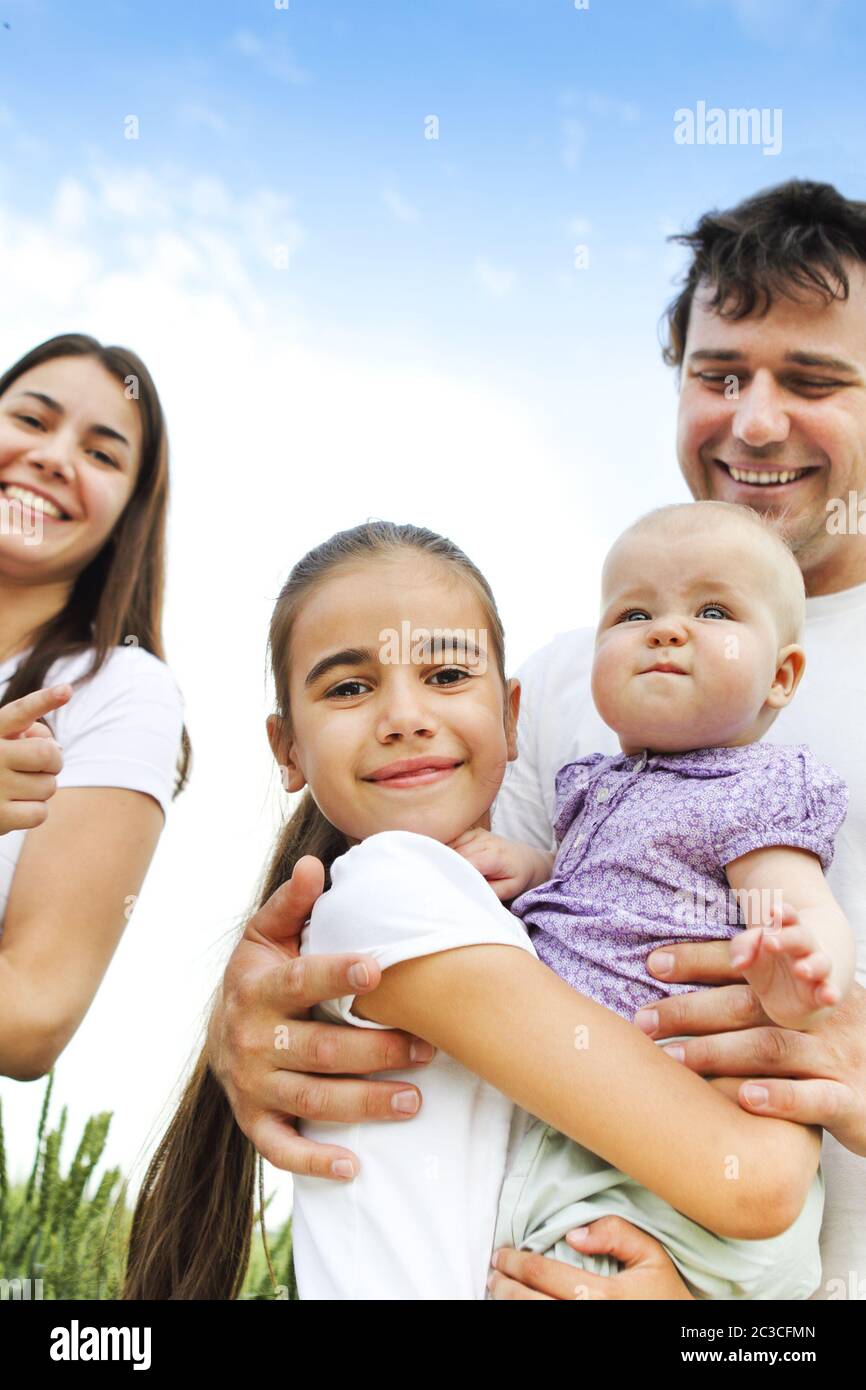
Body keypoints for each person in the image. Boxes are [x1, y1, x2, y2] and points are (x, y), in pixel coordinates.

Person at [206, 178, 866, 1301]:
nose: (753, 421)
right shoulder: (575, 679)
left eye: (811, 380)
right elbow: (465, 974)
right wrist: (256, 1020)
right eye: (717, 375)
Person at [124, 520, 836, 1301]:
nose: (403, 715)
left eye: (447, 675)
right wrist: (803, 1043)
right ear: (287, 748)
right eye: (350, 687)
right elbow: (757, 1188)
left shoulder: (487, 908)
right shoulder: (391, 886)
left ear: (511, 718)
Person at [0, 333, 188, 1082]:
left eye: (103, 454)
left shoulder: (118, 689)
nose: (54, 458)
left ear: (128, 516)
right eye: (32, 421)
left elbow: (31, 1019)